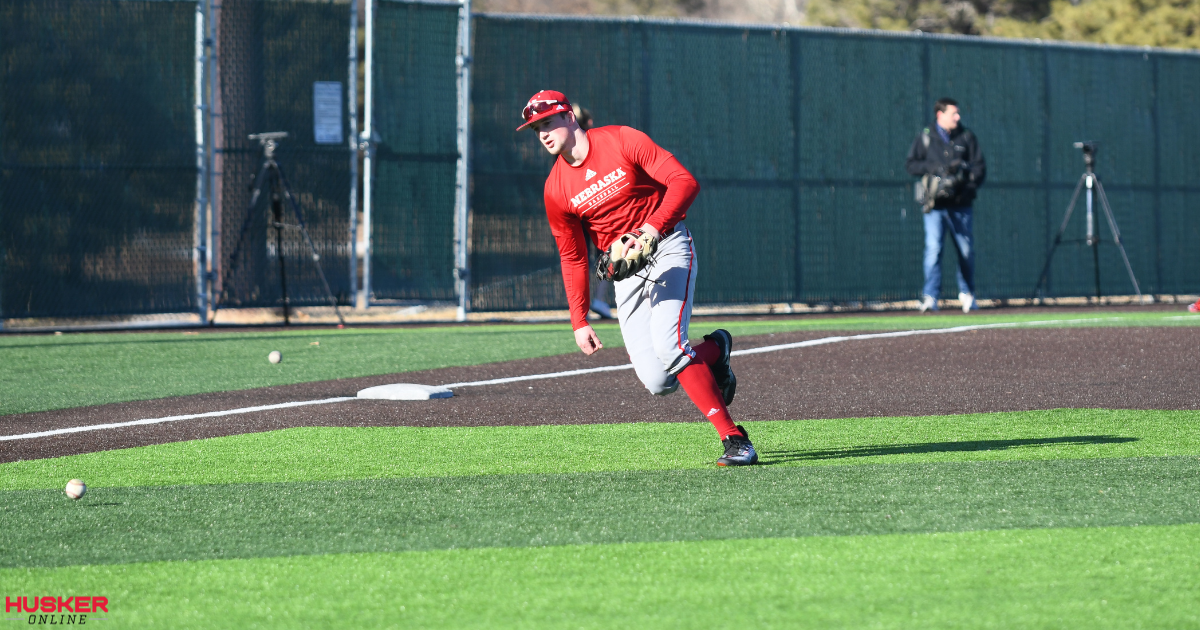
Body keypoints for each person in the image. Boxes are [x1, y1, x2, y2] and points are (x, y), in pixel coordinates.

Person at [517, 90, 757, 466]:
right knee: (659, 382)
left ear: (569, 117)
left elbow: (684, 181)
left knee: (670, 346)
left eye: (547, 123)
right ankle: (715, 351)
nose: (542, 134)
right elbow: (573, 256)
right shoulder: (556, 189)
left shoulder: (620, 140)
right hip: (626, 274)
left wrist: (650, 230)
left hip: (666, 246)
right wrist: (579, 321)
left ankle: (734, 439)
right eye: (535, 129)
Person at [906, 97, 987, 313]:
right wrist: (937, 168)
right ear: (940, 115)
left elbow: (980, 169)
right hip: (936, 206)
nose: (958, 117)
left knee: (966, 250)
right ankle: (930, 296)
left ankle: (967, 294)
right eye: (954, 113)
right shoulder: (926, 137)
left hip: (961, 205)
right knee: (933, 249)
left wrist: (965, 184)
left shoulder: (967, 137)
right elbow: (911, 164)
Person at [572, 103, 615, 320]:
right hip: (592, 209)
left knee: (587, 257)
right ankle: (595, 301)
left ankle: (589, 304)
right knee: (605, 254)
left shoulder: (564, 146)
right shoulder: (589, 143)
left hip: (579, 208)